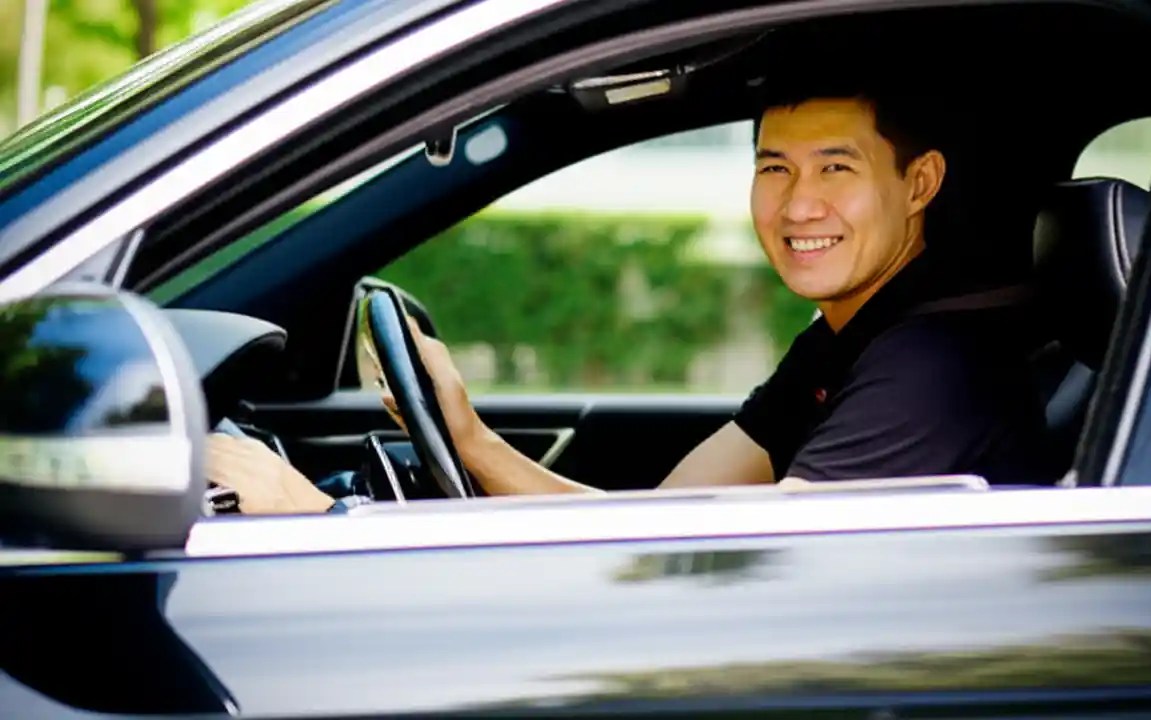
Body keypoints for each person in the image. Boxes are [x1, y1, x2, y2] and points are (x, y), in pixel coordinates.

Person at [206, 75, 1050, 514]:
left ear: (920, 182)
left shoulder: (934, 367)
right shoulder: (847, 337)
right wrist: (466, 438)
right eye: (774, 169)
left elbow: (733, 559)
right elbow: (667, 521)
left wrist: (318, 515)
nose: (798, 206)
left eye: (837, 167)